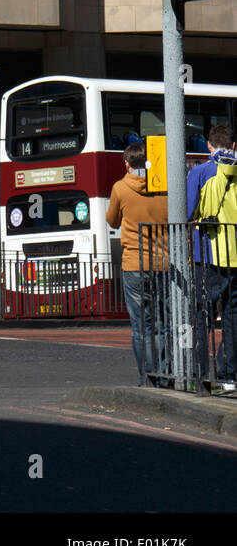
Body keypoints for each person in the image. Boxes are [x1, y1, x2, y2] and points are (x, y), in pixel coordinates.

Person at [107, 142, 169, 387]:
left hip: (134, 264)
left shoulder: (120, 188)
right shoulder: (165, 187)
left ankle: (147, 376)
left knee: (141, 326)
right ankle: (164, 376)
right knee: (163, 324)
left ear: (126, 163)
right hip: (163, 264)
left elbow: (112, 220)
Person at [191, 134, 237, 391]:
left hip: (210, 254)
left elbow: (192, 211)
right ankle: (229, 376)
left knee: (201, 314)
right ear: (233, 146)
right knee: (233, 318)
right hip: (236, 256)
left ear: (209, 145)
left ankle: (200, 376)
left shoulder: (204, 173)